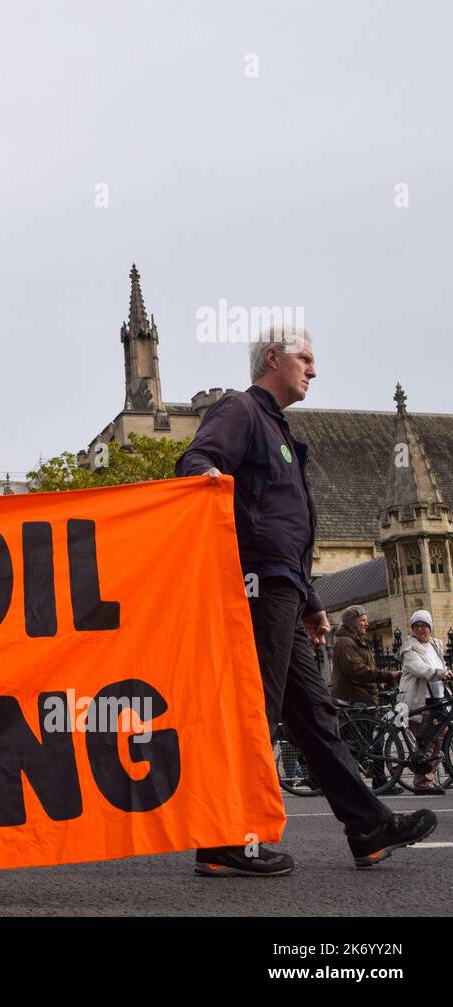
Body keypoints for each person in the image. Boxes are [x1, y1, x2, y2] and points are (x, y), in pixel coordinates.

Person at [175, 326, 437, 874]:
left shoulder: (280, 431)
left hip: (286, 590)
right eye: (306, 359)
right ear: (272, 359)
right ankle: (224, 840)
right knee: (257, 712)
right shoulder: (240, 410)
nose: (313, 370)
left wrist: (312, 598)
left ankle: (367, 827)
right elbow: (196, 461)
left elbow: (287, 530)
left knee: (316, 717)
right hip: (257, 585)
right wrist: (208, 476)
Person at [329, 605, 398, 788]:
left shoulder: (357, 640)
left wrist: (377, 680)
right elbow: (356, 670)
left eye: (367, 621)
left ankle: (378, 781)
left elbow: (366, 668)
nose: (366, 625)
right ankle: (352, 783)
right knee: (357, 744)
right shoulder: (345, 642)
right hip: (354, 699)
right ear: (352, 623)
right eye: (362, 621)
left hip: (364, 698)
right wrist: (385, 675)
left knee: (370, 742)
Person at [398, 610, 451, 795]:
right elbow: (420, 669)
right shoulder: (409, 648)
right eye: (417, 626)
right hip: (420, 701)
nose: (421, 629)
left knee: (440, 740)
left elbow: (441, 667)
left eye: (424, 625)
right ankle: (422, 783)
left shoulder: (435, 645)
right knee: (427, 742)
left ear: (430, 627)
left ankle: (428, 779)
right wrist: (441, 673)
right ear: (413, 629)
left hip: (437, 700)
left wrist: (447, 675)